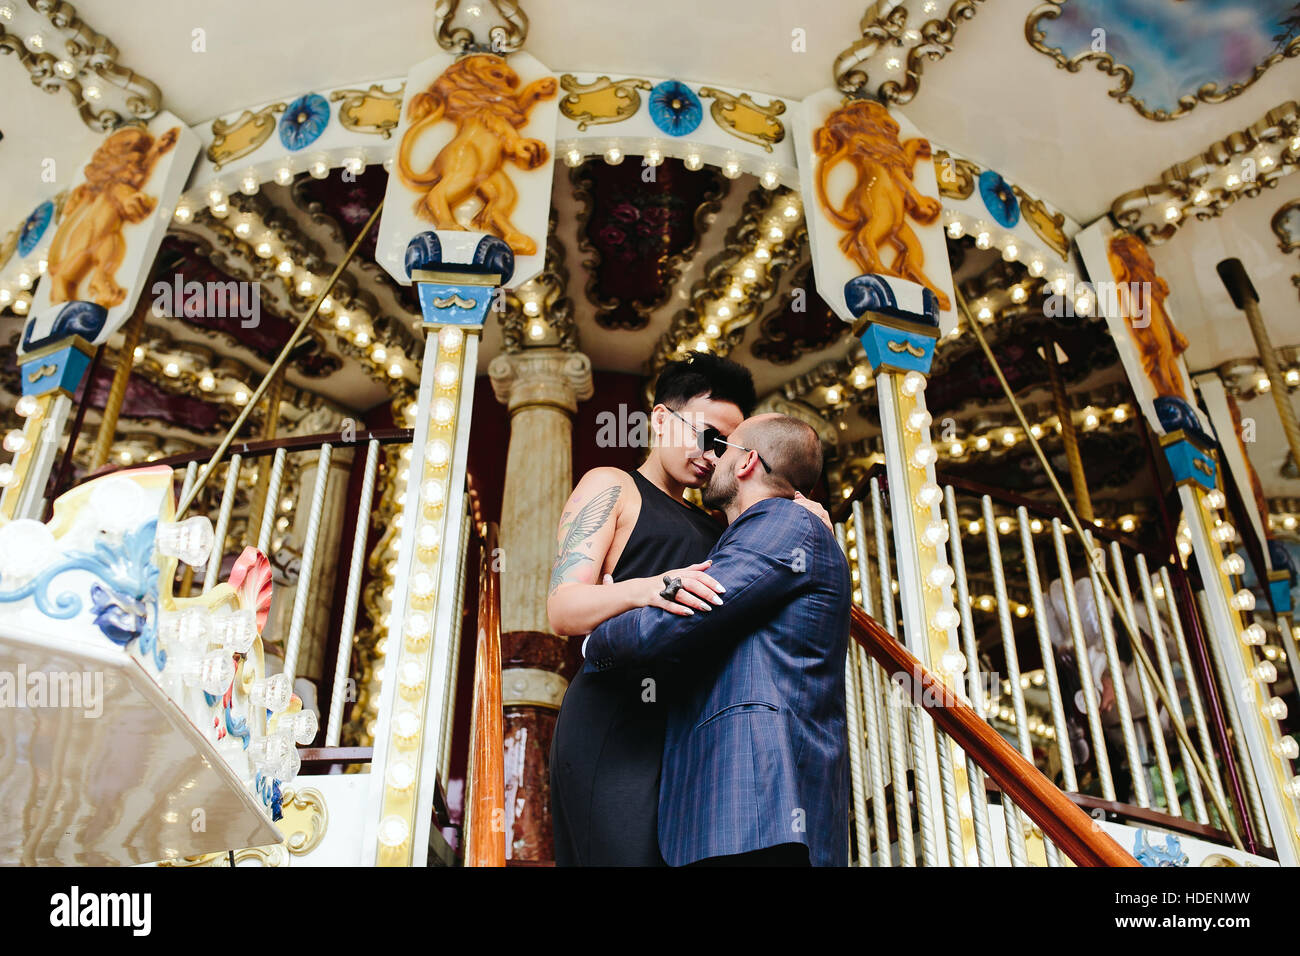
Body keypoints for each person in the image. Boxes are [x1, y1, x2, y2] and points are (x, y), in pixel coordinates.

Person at [547, 354, 829, 866]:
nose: (711, 454)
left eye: (724, 445)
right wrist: (645, 587)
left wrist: (794, 506)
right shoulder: (614, 485)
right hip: (616, 716)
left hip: (689, 733)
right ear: (659, 419)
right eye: (704, 434)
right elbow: (563, 609)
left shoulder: (723, 527)